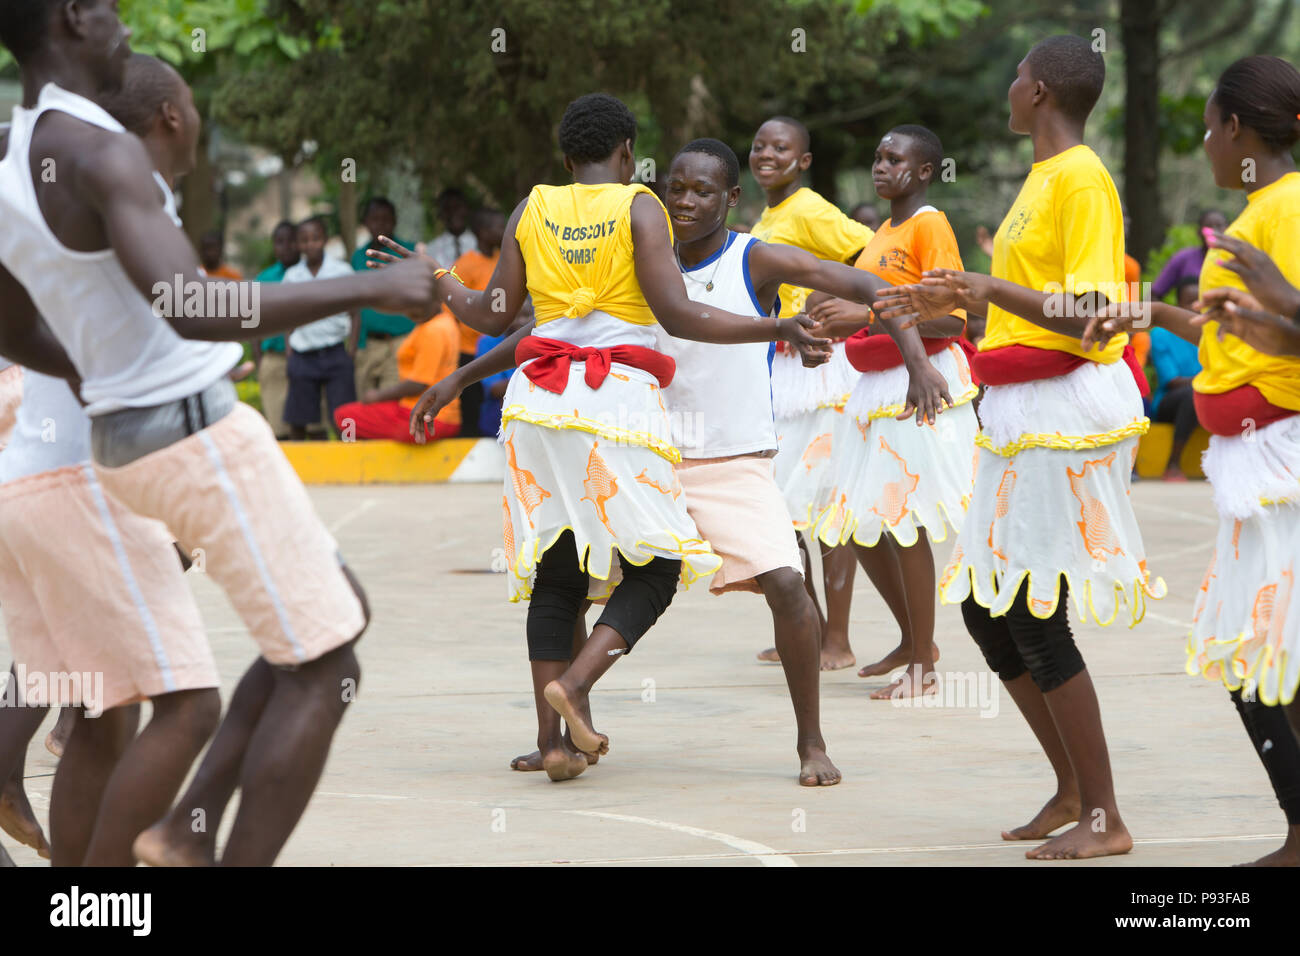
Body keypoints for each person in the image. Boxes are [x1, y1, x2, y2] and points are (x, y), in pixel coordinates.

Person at [0, 2, 437, 866]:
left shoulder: (18, 157)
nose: (124, 24)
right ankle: (190, 844)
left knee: (327, 625)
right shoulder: (99, 150)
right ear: (75, 16)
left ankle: (178, 831)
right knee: (325, 666)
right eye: (112, 8)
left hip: (129, 447)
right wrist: (364, 289)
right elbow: (196, 306)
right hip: (195, 434)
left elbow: (9, 325)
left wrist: (94, 371)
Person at [407, 138, 946, 785]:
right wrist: (461, 379)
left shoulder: (755, 259)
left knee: (787, 586)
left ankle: (811, 744)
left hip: (729, 460)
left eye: (703, 192)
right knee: (569, 580)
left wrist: (916, 358)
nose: (686, 202)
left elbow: (865, 281)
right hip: (638, 454)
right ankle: (557, 739)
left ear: (732, 199)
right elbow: (545, 331)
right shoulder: (634, 255)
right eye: (677, 190)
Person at [876, 35, 1165, 860]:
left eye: (1015, 77)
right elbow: (1020, 304)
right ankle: (1073, 789)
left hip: (1061, 410)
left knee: (1036, 611)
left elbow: (1092, 316)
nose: (1008, 87)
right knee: (987, 609)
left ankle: (1105, 817)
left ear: (1037, 90)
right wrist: (961, 297)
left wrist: (991, 289)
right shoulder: (1043, 179)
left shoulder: (1082, 179)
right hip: (1015, 409)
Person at [0, 52, 225, 868]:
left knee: (100, 713)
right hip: (86, 483)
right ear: (167, 117)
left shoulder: (38, 180)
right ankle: (104, 894)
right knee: (189, 707)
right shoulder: (124, 192)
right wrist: (353, 289)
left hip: (34, 472)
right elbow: (196, 319)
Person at [1086, 55, 1300, 866]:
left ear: (1237, 129)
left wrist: (1281, 306)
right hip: (1248, 469)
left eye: (1211, 129)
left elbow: (1280, 325)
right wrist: (1150, 311)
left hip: (1283, 465)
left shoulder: (1291, 209)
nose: (1207, 143)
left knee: (1276, 655)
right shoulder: (1255, 214)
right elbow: (1229, 333)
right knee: (1255, 657)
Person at [807, 125, 980, 697]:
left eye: (894, 159)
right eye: (877, 158)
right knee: (858, 522)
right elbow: (876, 306)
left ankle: (924, 670)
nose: (881, 167)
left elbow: (952, 320)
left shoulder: (929, 223)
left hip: (916, 383)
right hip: (874, 385)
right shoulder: (882, 231)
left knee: (903, 522)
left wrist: (860, 319)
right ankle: (912, 641)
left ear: (925, 171)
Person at [748, 114, 875, 670]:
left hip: (822, 370)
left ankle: (838, 640)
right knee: (786, 506)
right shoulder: (773, 213)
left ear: (803, 161)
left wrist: (843, 308)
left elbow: (873, 254)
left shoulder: (810, 208)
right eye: (759, 146)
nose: (766, 154)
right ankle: (808, 626)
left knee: (824, 505)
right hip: (785, 367)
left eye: (781, 147)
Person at [332, 305, 462, 442]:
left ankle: (354, 458)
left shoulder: (432, 330)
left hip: (422, 416)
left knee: (344, 417)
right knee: (367, 420)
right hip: (440, 414)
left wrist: (377, 396)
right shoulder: (447, 321)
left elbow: (419, 383)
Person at [282, 215, 360, 440]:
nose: (310, 244)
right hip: (302, 355)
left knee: (345, 417)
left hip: (335, 353)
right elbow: (287, 316)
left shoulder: (341, 271)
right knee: (298, 418)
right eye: (304, 240)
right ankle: (299, 469)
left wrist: (351, 351)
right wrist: (289, 351)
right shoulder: (292, 276)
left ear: (324, 239)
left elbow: (355, 313)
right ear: (297, 244)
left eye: (315, 238)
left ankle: (351, 465)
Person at [447, 207, 505, 437]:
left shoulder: (504, 258)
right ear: (482, 232)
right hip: (469, 350)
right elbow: (451, 307)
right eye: (498, 226)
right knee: (471, 409)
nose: (503, 230)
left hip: (498, 346)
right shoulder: (464, 264)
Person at [350, 197, 416, 397]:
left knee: (390, 403)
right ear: (366, 223)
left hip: (400, 341)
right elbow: (354, 304)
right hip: (368, 344)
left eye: (386, 219)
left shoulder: (408, 252)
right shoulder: (358, 257)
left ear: (394, 221)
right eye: (374, 219)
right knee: (365, 403)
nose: (380, 224)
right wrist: (353, 346)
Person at [1148, 277, 1204, 480]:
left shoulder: (1214, 330)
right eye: (1190, 301)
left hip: (1208, 392)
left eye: (1200, 301)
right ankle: (1173, 464)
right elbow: (1171, 380)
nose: (1196, 307)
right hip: (1170, 402)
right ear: (1178, 303)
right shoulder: (1161, 333)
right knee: (1192, 393)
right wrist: (1211, 378)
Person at [252, 220, 300, 438]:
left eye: (291, 241)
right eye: (280, 242)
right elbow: (252, 325)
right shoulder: (263, 279)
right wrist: (260, 362)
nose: (286, 247)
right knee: (278, 431)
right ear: (274, 246)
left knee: (307, 427)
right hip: (274, 360)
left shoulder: (309, 275)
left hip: (306, 360)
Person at [1150, 208, 1229, 302]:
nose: (1215, 231)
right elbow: (1152, 295)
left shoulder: (1236, 260)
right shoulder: (1184, 258)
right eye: (1209, 226)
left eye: (1219, 226)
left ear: (1229, 228)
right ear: (1198, 232)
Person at [426, 187, 477, 268]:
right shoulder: (431, 250)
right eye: (447, 208)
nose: (453, 213)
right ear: (440, 214)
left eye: (457, 207)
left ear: (467, 209)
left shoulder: (481, 246)